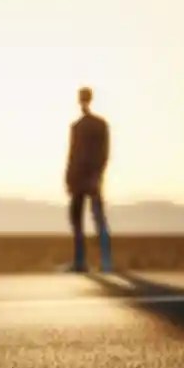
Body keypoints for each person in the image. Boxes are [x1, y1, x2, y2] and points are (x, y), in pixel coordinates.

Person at [65, 86, 112, 272]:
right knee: (79, 219)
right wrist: (69, 177)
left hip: (89, 178)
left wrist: (97, 175)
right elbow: (72, 154)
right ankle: (81, 261)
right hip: (80, 178)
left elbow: (103, 153)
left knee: (97, 218)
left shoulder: (97, 125)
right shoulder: (77, 126)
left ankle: (105, 261)